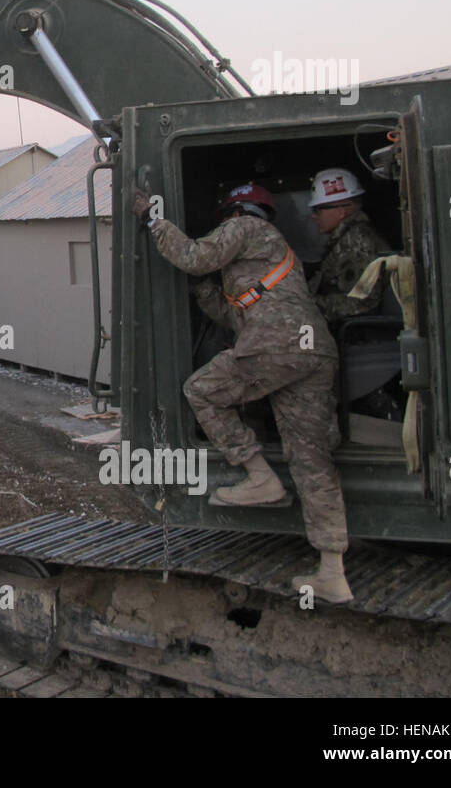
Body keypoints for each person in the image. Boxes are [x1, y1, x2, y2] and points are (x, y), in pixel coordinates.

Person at [132, 182, 352, 603]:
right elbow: (235, 316)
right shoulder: (276, 257)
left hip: (278, 346)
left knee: (200, 390)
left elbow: (197, 257)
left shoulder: (247, 227)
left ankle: (261, 478)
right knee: (311, 461)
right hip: (310, 352)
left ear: (235, 212)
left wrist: (153, 221)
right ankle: (332, 572)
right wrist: (200, 291)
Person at [306, 167, 390, 329]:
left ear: (340, 212)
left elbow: (362, 303)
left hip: (361, 335)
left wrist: (308, 304)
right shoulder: (347, 238)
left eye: (318, 210)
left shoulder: (357, 243)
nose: (314, 216)